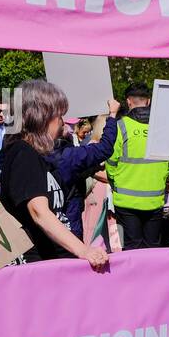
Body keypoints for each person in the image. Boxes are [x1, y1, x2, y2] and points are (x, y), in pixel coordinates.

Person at [0, 80, 108, 269]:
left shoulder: (36, 155)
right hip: (35, 270)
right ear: (40, 116)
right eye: (59, 116)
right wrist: (83, 250)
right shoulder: (23, 154)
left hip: (50, 266)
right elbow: (39, 212)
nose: (62, 123)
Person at [104, 82, 169, 250]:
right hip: (154, 199)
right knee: (153, 247)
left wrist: (115, 184)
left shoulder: (120, 127)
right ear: (148, 101)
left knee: (132, 248)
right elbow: (168, 163)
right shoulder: (163, 128)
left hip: (126, 201)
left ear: (128, 102)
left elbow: (111, 163)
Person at [51, 99, 119, 241]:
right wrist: (112, 116)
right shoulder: (68, 155)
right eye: (62, 121)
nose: (66, 125)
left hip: (52, 222)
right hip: (69, 220)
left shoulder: (34, 153)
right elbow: (105, 148)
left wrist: (91, 169)